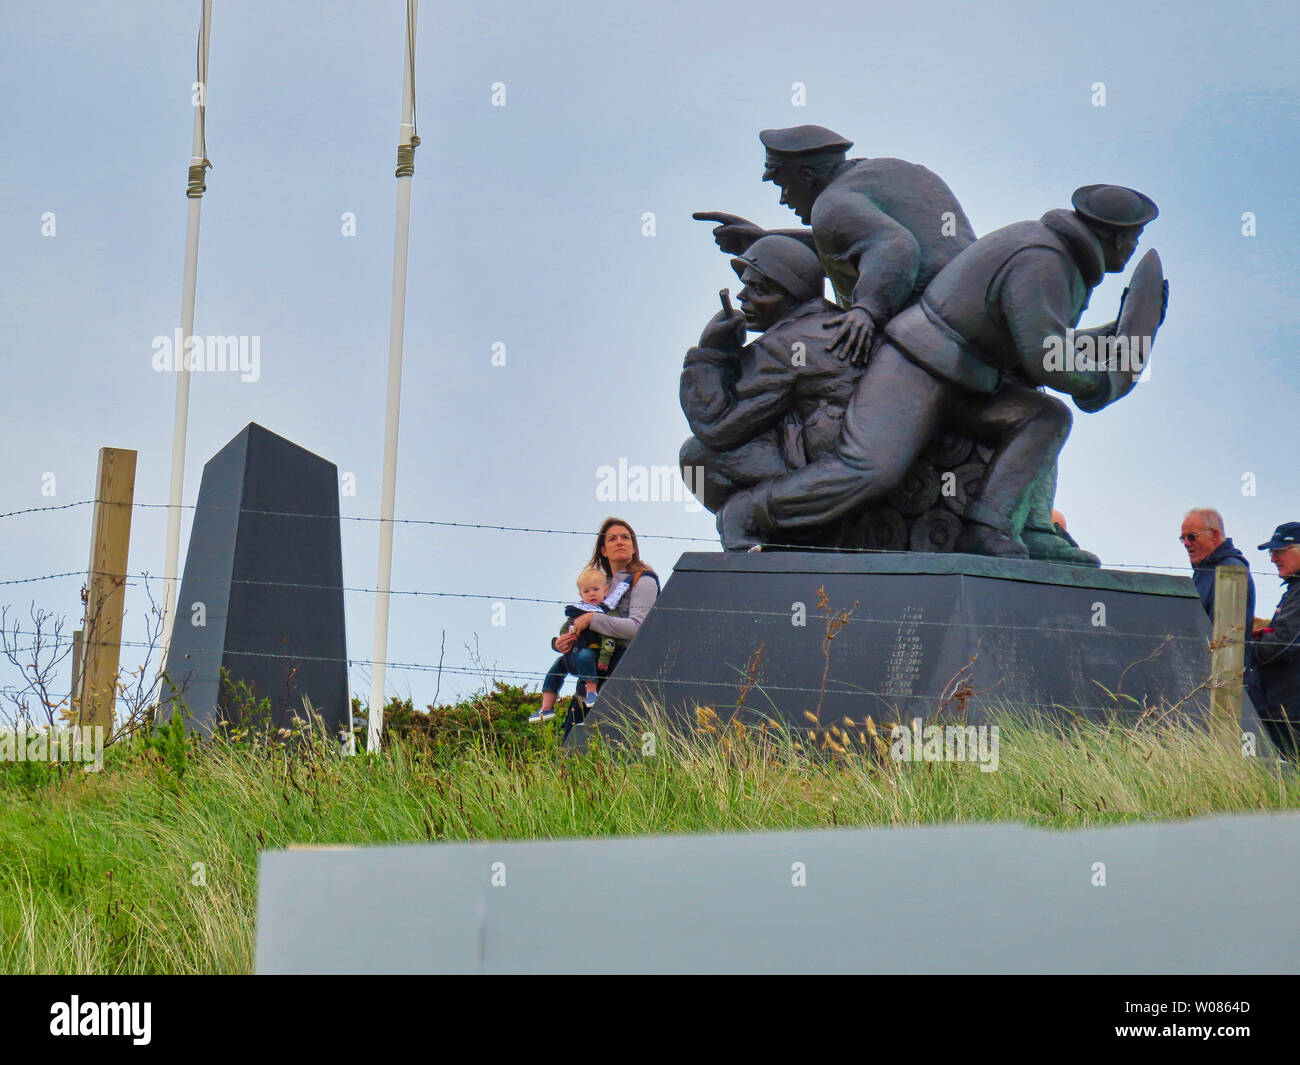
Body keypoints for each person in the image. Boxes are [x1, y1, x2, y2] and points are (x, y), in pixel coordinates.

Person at [718, 184, 1166, 555]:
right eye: (1131, 239)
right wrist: (1100, 384)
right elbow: (1045, 359)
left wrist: (1117, 334)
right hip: (916, 365)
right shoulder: (1042, 259)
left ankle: (994, 529)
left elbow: (1040, 347)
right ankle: (750, 512)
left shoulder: (1060, 260)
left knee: (1042, 417)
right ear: (1110, 236)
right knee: (870, 468)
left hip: (968, 380)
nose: (1131, 249)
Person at [694, 124, 976, 365]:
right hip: (965, 292)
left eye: (784, 185)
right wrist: (764, 241)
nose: (783, 199)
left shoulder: (831, 204)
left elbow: (894, 246)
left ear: (806, 175)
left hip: (933, 317)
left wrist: (866, 310)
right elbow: (852, 245)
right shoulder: (880, 173)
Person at [679, 235, 864, 513]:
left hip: (834, 471)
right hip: (856, 454)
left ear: (790, 296)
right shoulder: (830, 322)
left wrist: (710, 354)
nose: (742, 297)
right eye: (745, 286)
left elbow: (716, 426)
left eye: (758, 289)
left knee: (695, 457)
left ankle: (770, 536)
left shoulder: (783, 344)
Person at [556, 519, 660, 724]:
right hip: (594, 670)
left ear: (633, 547)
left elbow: (638, 629)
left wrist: (592, 619)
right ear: (603, 550)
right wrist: (565, 639)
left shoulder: (643, 579)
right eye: (612, 539)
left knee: (615, 732)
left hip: (627, 668)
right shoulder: (600, 586)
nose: (620, 542)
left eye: (625, 538)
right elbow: (583, 623)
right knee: (576, 733)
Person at [528, 566, 617, 724]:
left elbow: (609, 638)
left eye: (596, 589)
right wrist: (563, 639)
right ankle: (546, 707)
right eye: (587, 591)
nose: (592, 594)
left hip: (593, 655)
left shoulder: (606, 614)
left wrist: (605, 657)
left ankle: (591, 693)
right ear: (580, 595)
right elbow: (565, 628)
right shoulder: (576, 612)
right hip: (572, 655)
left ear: (605, 590)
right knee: (556, 668)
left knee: (585, 656)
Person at [1251, 522, 1300, 757]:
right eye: (1272, 553)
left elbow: (1282, 645)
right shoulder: (1294, 590)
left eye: (1280, 551)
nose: (1273, 559)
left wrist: (1247, 649)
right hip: (1284, 710)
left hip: (1292, 714)